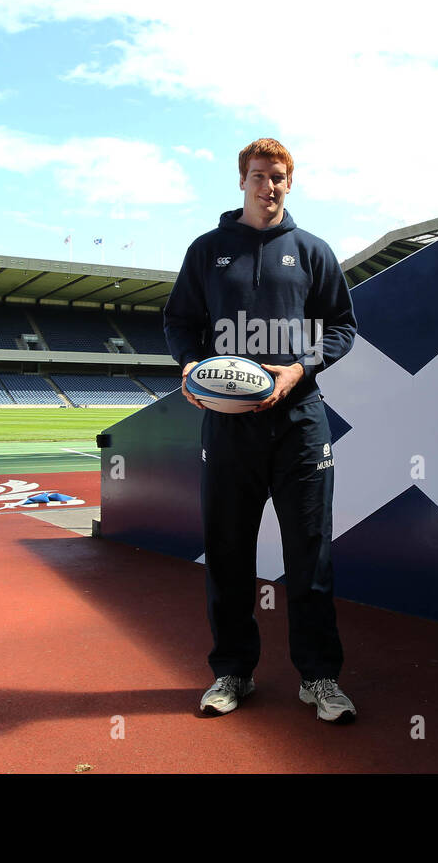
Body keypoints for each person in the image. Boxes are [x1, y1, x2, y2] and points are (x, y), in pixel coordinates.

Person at [163, 138, 359, 723]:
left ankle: (320, 678)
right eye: (257, 176)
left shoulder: (313, 251)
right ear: (240, 181)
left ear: (289, 183)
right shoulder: (208, 250)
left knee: (311, 555)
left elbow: (343, 328)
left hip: (301, 422)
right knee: (226, 554)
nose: (266, 186)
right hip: (227, 429)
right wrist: (192, 365)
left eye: (277, 177)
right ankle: (232, 672)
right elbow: (179, 320)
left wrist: (301, 366)